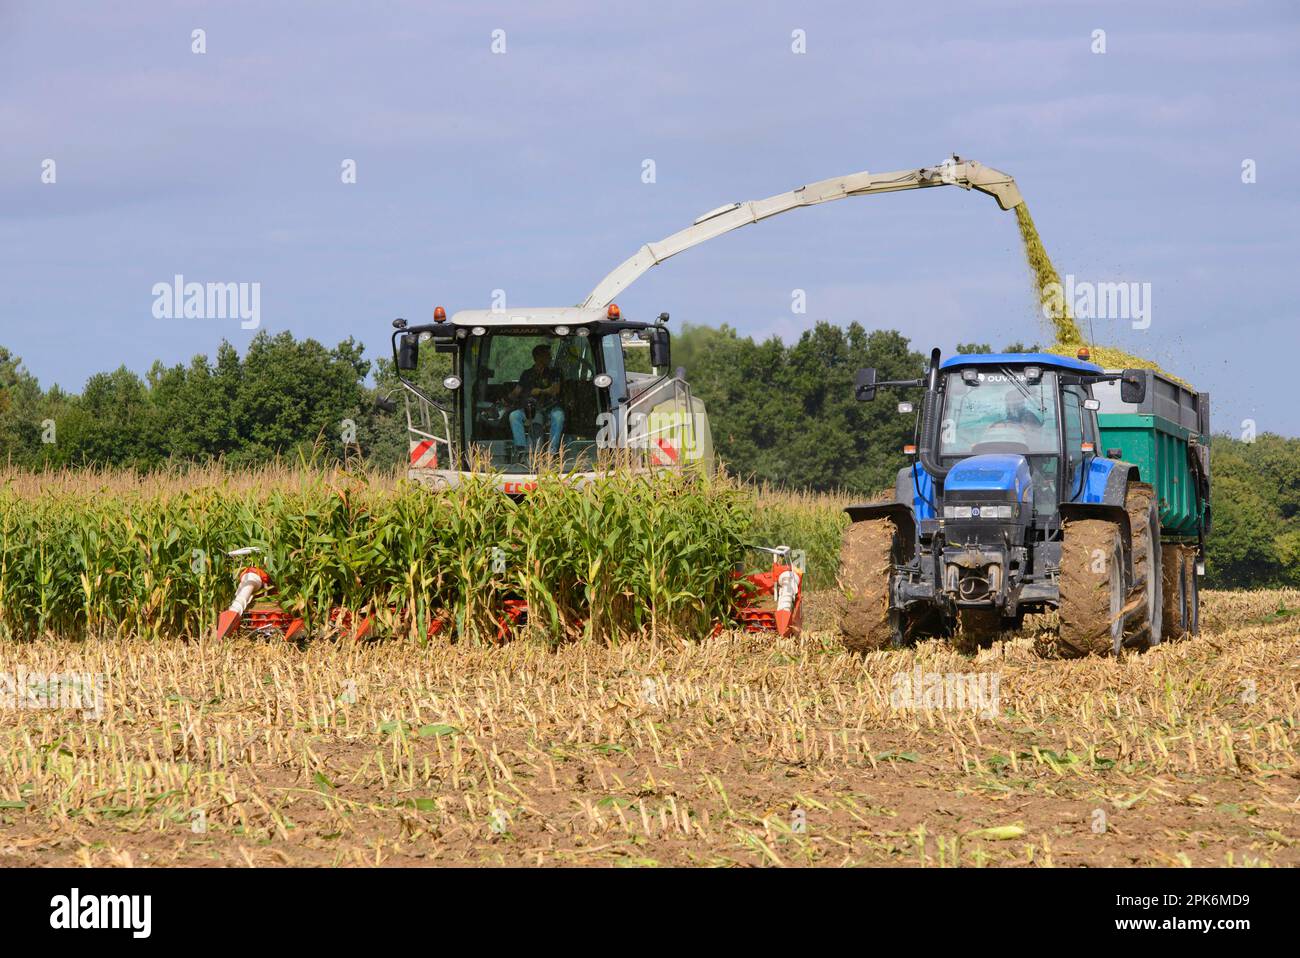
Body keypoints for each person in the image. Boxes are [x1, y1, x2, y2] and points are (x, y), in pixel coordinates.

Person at [508, 344, 565, 456]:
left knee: (558, 416)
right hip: (529, 410)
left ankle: (552, 452)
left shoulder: (554, 372)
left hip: (550, 408)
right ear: (538, 357)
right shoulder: (526, 374)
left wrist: (540, 391)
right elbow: (517, 391)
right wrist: (505, 399)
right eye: (547, 354)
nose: (550, 357)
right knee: (514, 416)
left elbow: (555, 390)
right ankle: (521, 450)